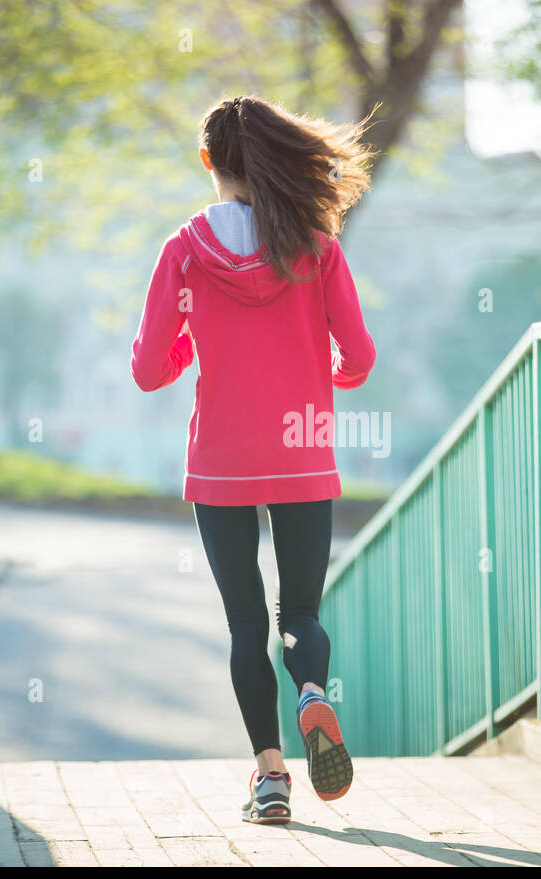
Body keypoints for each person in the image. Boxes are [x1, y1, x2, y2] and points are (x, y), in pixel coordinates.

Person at [130, 95, 376, 824]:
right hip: (301, 449)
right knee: (299, 611)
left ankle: (271, 780)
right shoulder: (315, 244)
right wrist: (317, 369)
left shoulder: (183, 249)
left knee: (245, 627)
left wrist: (191, 343)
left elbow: (149, 369)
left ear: (207, 161)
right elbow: (358, 357)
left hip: (221, 458)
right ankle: (312, 691)